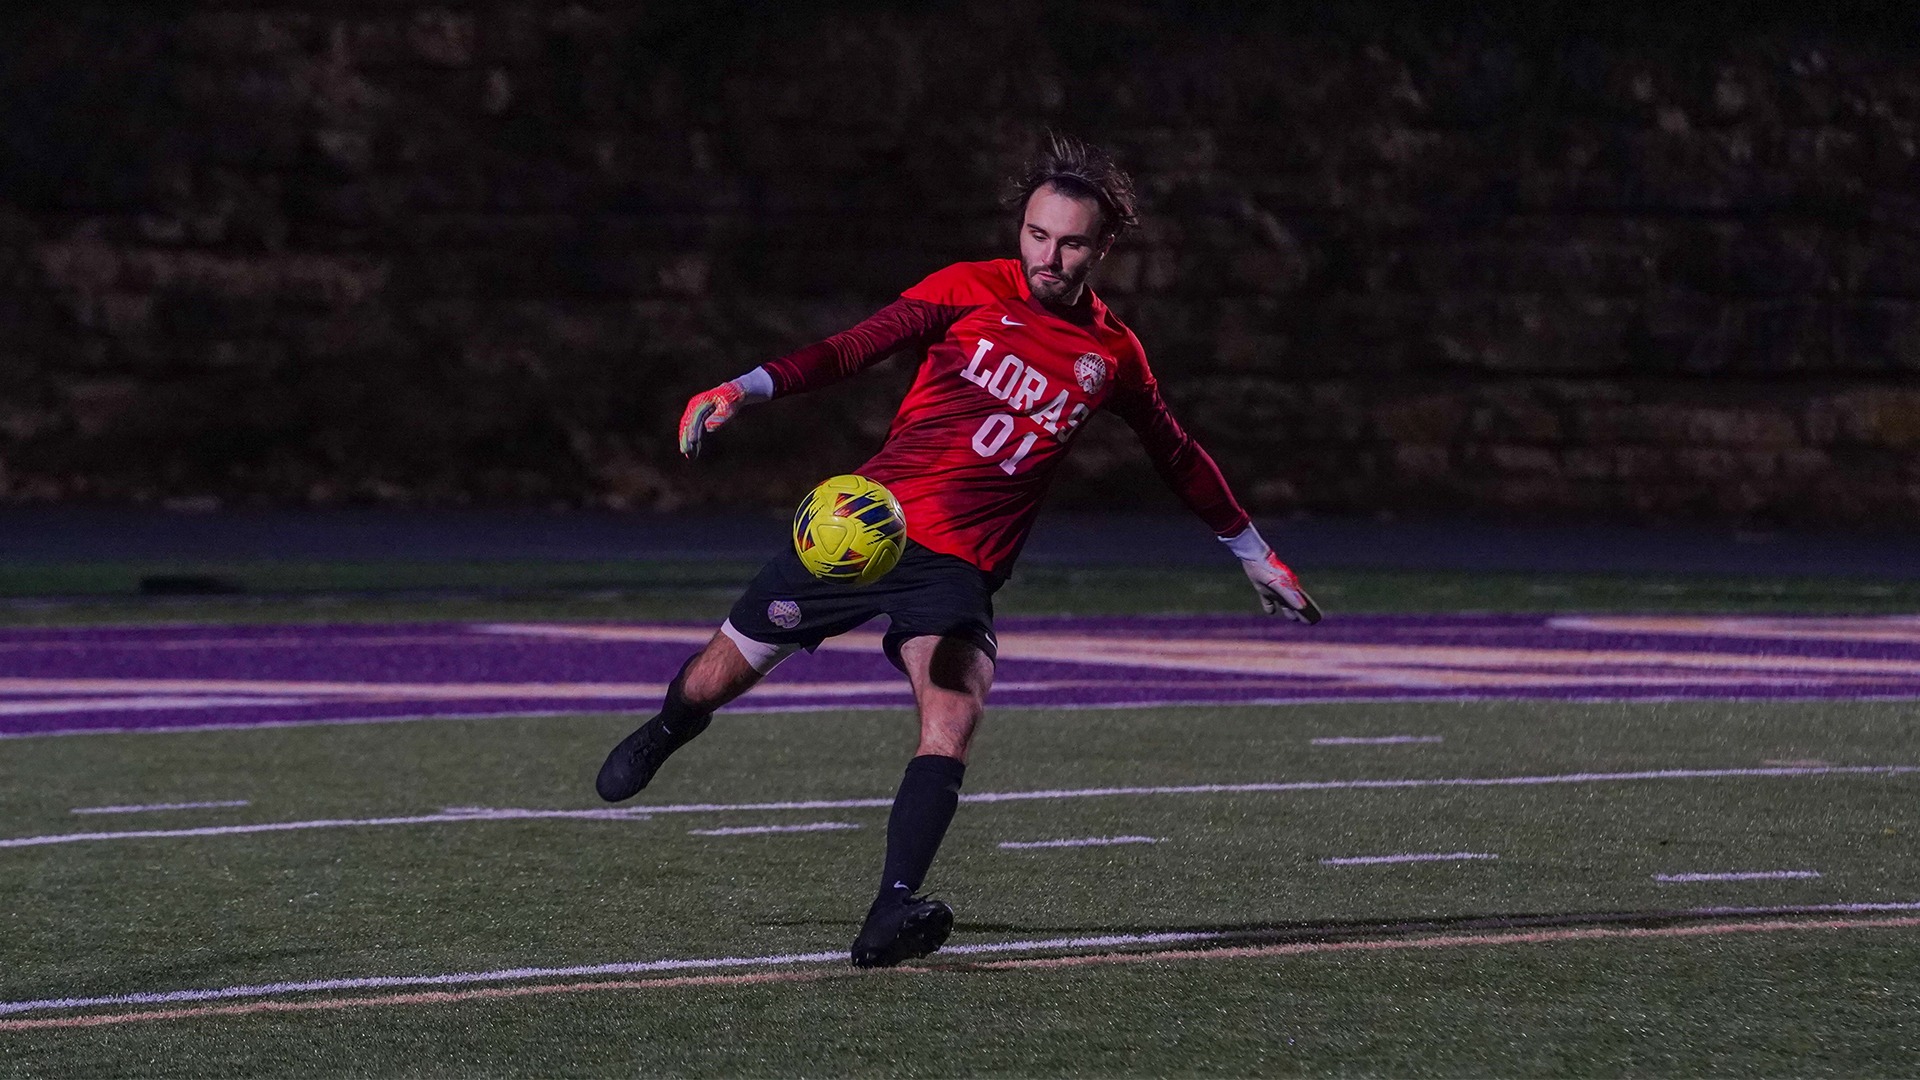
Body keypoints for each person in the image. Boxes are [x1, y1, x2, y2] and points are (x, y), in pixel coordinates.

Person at [596, 133, 1320, 968]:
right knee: (720, 672)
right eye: (1037, 234)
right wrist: (741, 388)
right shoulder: (966, 289)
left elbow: (1177, 453)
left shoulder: (1112, 355)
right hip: (865, 531)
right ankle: (666, 729)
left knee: (952, 715)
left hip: (960, 564)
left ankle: (889, 915)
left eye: (1072, 241)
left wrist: (1253, 552)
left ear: (1104, 248)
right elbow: (852, 347)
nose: (1049, 255)